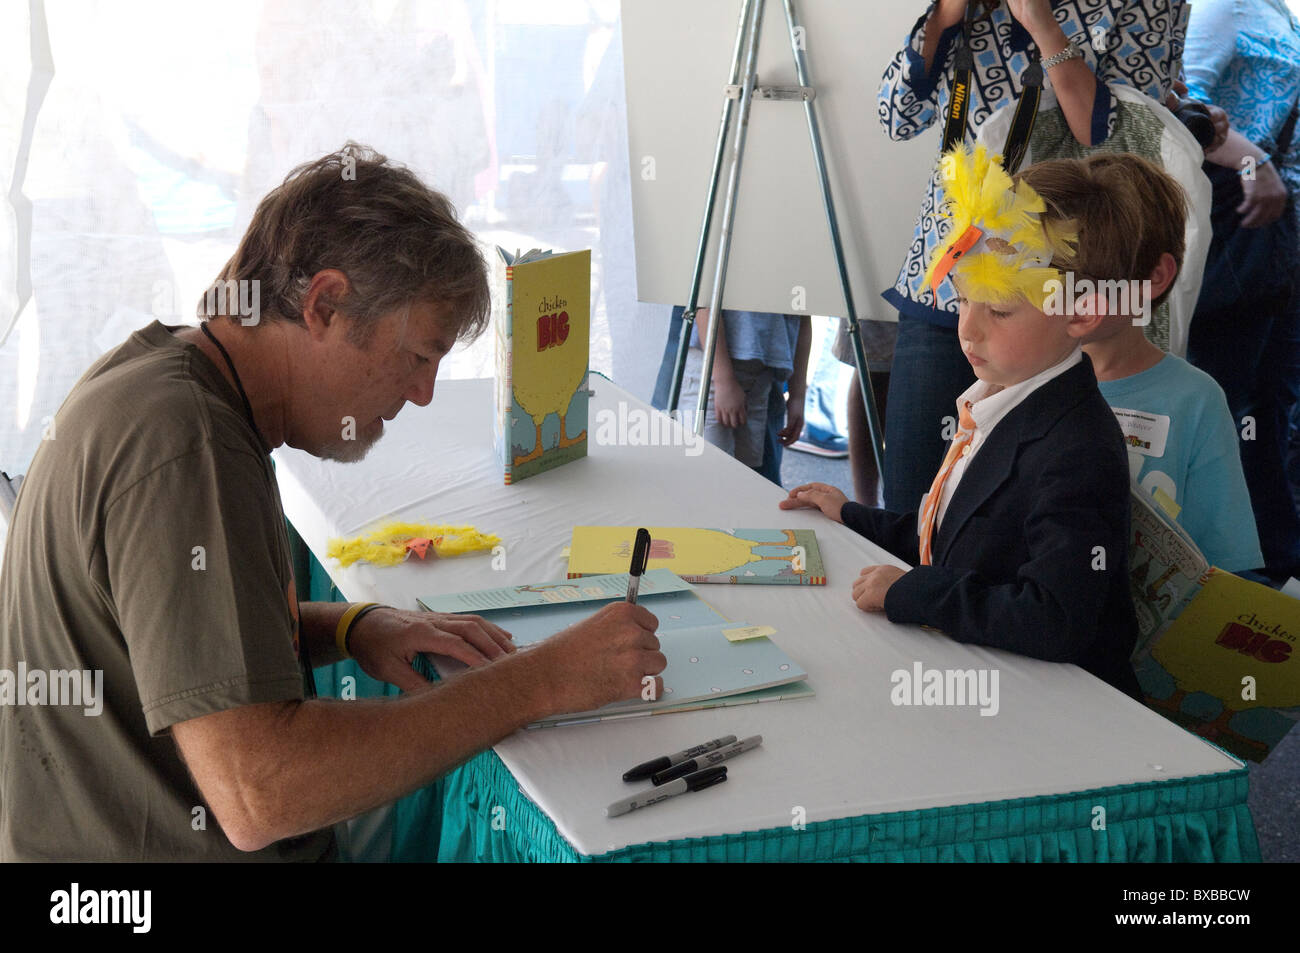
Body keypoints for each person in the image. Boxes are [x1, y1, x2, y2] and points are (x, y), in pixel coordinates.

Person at [0, 144, 667, 861]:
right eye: (418, 357)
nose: (423, 394)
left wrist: (353, 626)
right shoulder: (187, 445)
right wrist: (540, 680)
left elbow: (160, 635)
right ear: (324, 303)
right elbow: (262, 795)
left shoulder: (156, 376)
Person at [781, 145, 1141, 697]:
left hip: (1054, 711)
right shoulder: (997, 398)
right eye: (962, 299)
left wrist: (913, 594)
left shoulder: (1077, 449)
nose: (967, 331)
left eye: (998, 310)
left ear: (1081, 312)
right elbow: (955, 538)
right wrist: (855, 517)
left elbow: (1056, 619)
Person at [876, 0, 1187, 515]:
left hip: (1058, 293)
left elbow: (1118, 141)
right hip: (951, 280)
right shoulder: (967, 10)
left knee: (1024, 500)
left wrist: (1043, 25)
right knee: (914, 492)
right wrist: (946, 15)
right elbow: (897, 117)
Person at [1042, 153, 1263, 572]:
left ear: (1155, 276)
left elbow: (1228, 565)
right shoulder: (1013, 380)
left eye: (1077, 276)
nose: (1053, 297)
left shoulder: (1194, 400)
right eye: (1037, 279)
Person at [1182, 0, 1300, 581]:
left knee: (1273, 398)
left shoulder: (1277, 12)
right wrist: (1255, 163)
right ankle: (1225, 572)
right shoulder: (1222, 9)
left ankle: (1273, 564)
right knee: (1232, 401)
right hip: (1240, 222)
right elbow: (1182, 121)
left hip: (1280, 232)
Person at [666, 306, 810, 485]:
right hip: (710, 370)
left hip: (761, 375)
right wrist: (724, 380)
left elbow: (803, 317)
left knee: (744, 481)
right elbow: (705, 302)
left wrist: (798, 396)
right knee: (704, 475)